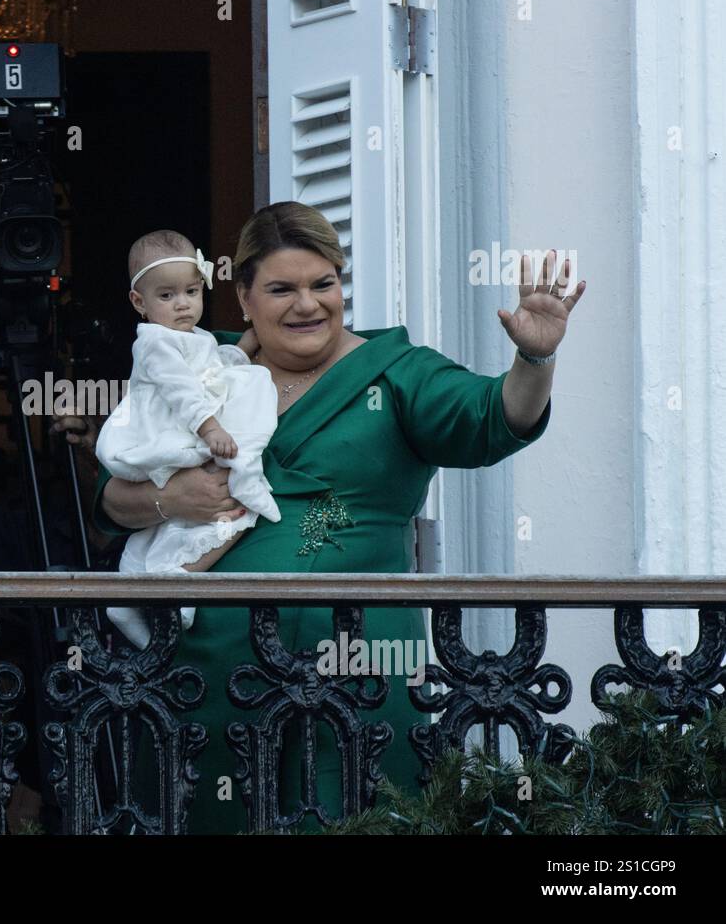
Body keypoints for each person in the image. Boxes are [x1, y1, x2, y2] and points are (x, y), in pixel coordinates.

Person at [94, 201, 587, 833]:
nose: (307, 304)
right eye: (281, 289)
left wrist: (535, 361)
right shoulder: (197, 363)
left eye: (323, 284)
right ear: (243, 297)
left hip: (360, 677)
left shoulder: (397, 373)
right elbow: (111, 491)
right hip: (205, 679)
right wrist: (173, 498)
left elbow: (495, 418)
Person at [95, 230, 282, 648]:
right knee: (231, 509)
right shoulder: (155, 342)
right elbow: (184, 389)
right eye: (166, 296)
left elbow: (212, 368)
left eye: (191, 291)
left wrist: (245, 347)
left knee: (165, 525)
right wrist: (212, 429)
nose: (182, 304)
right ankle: (173, 579)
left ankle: (131, 592)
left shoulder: (194, 338)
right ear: (139, 303)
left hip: (185, 432)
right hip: (170, 431)